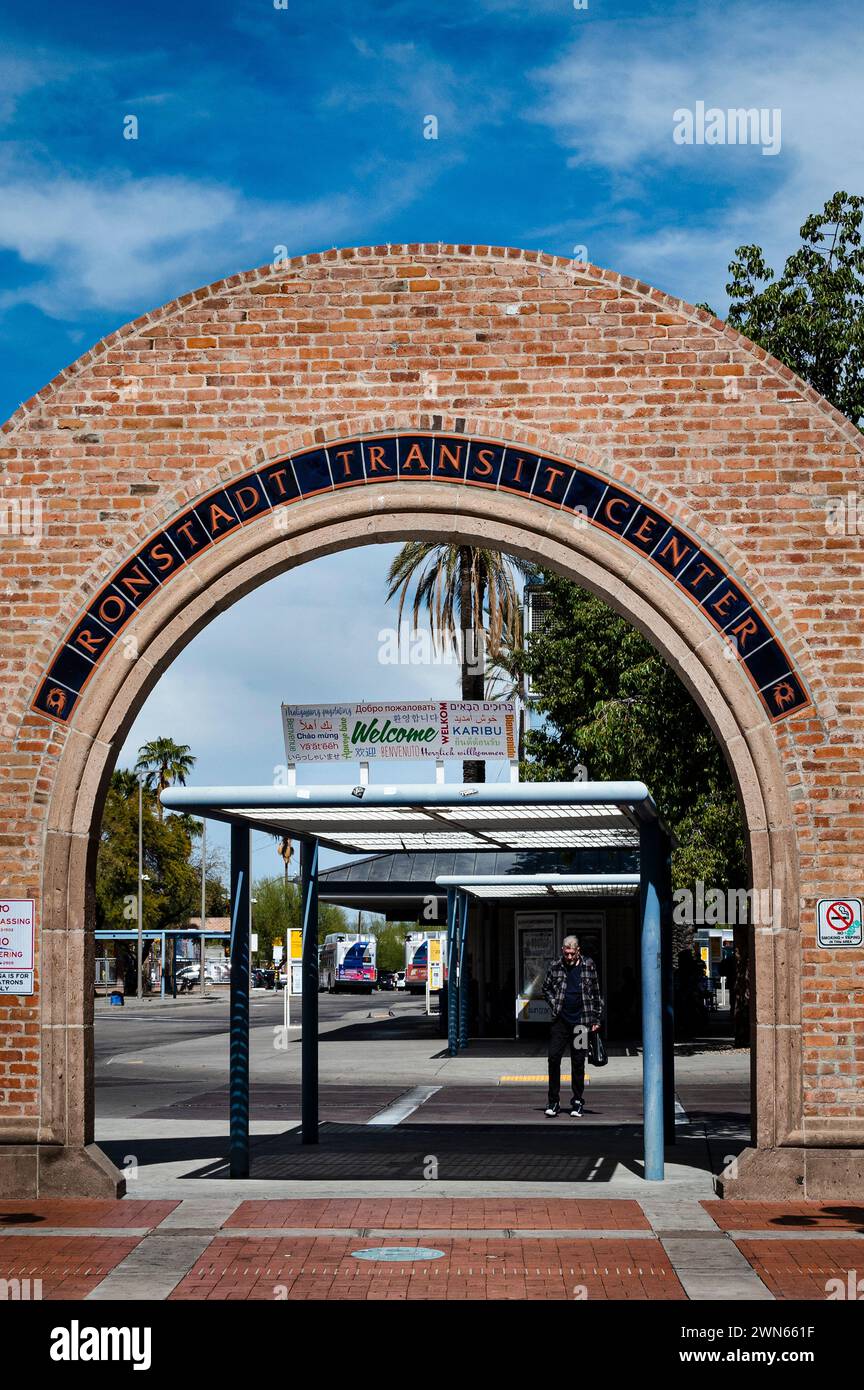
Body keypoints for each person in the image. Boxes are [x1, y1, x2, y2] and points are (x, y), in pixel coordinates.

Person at [541, 935, 603, 1117]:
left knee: (578, 1062)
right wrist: (555, 1004)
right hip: (560, 1022)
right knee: (553, 1058)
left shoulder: (589, 965)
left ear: (578, 951)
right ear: (563, 951)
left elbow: (596, 992)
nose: (569, 958)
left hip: (581, 1023)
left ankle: (577, 1101)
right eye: (566, 954)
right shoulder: (555, 966)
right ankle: (553, 1101)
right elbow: (545, 988)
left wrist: (596, 1019)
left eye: (572, 954)